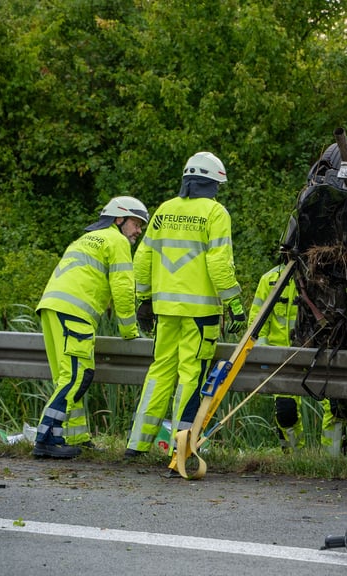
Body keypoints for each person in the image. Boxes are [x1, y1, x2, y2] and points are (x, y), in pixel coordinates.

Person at [124, 151, 246, 460]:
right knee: (191, 375)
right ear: (213, 184)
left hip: (165, 310)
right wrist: (234, 303)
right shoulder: (215, 212)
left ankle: (136, 445)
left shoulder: (164, 210)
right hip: (200, 313)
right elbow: (219, 263)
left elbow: (143, 259)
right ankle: (180, 449)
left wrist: (144, 299)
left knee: (160, 372)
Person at [33, 196, 150, 458]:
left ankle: (75, 437)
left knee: (66, 377)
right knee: (77, 377)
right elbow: (122, 287)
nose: (139, 231)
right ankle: (45, 438)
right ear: (119, 219)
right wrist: (130, 331)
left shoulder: (85, 238)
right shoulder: (117, 241)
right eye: (136, 223)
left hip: (52, 308)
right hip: (75, 312)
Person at [249, 262, 338, 453]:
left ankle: (333, 459)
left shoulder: (325, 279)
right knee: (286, 412)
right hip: (283, 360)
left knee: (336, 407)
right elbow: (256, 324)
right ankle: (295, 457)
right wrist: (266, 356)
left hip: (319, 357)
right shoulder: (271, 280)